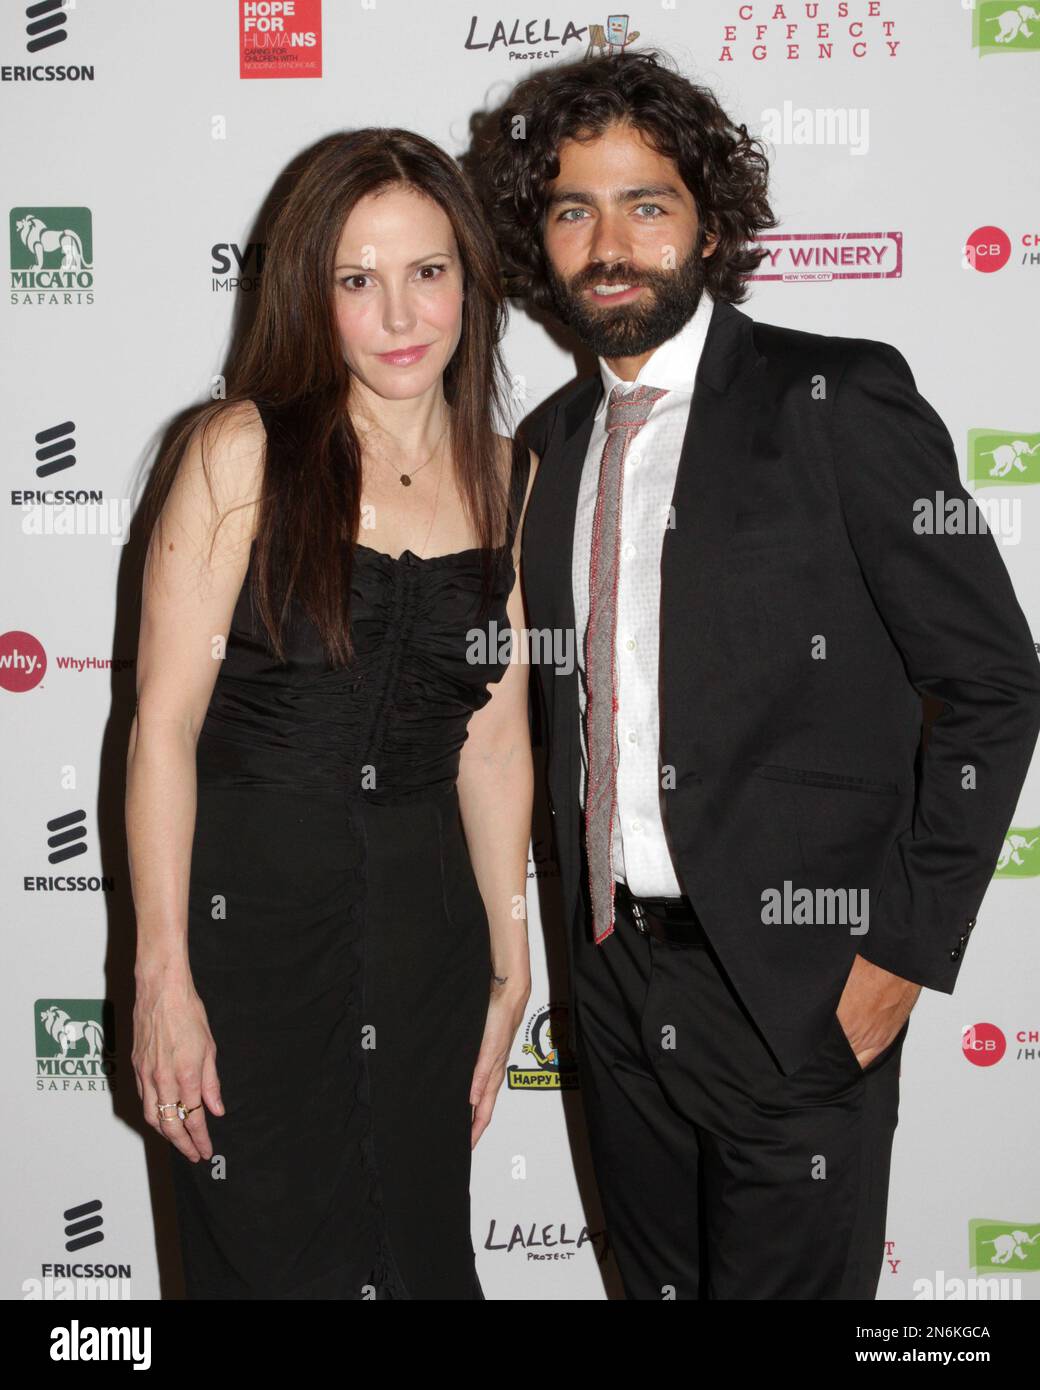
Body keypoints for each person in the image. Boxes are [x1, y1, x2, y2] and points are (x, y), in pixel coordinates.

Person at [474, 51, 1040, 1298]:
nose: (608, 241)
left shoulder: (833, 397)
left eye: (646, 203)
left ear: (709, 224)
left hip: (795, 988)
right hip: (614, 986)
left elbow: (995, 683)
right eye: (572, 208)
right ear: (542, 238)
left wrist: (899, 950)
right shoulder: (549, 447)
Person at [126, 129, 537, 1300]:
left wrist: (511, 961)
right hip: (250, 931)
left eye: (428, 270)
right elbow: (161, 728)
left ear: (469, 276)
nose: (399, 312)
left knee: (417, 1259)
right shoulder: (240, 450)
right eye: (356, 280)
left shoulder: (509, 472)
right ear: (311, 295)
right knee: (267, 1258)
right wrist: (163, 976)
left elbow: (494, 740)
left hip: (427, 937)